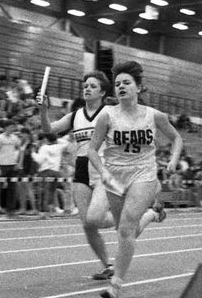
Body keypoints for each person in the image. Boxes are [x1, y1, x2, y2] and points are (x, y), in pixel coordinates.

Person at [39, 72, 167, 280]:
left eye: (92, 86)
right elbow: (49, 130)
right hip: (81, 170)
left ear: (103, 92)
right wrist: (43, 110)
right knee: (88, 225)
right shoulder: (75, 115)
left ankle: (147, 215)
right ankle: (107, 265)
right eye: (85, 86)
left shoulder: (111, 113)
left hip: (104, 171)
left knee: (96, 218)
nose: (86, 89)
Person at [87, 61, 182, 298]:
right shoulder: (106, 116)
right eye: (117, 84)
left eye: (126, 83)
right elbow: (92, 150)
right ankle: (151, 215)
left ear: (138, 87)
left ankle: (115, 286)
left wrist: (173, 159)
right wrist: (103, 173)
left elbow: (176, 138)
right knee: (124, 231)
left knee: (127, 229)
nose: (121, 87)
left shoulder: (153, 115)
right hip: (114, 176)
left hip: (144, 174)